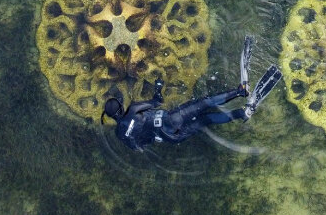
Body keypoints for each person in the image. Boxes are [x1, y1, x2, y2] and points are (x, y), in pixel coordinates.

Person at [102, 36, 282, 151]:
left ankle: (242, 113)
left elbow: (138, 148)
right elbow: (157, 101)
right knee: (206, 103)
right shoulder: (133, 109)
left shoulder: (120, 135)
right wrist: (158, 87)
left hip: (172, 138)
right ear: (119, 105)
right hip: (172, 119)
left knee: (206, 120)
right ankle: (240, 91)